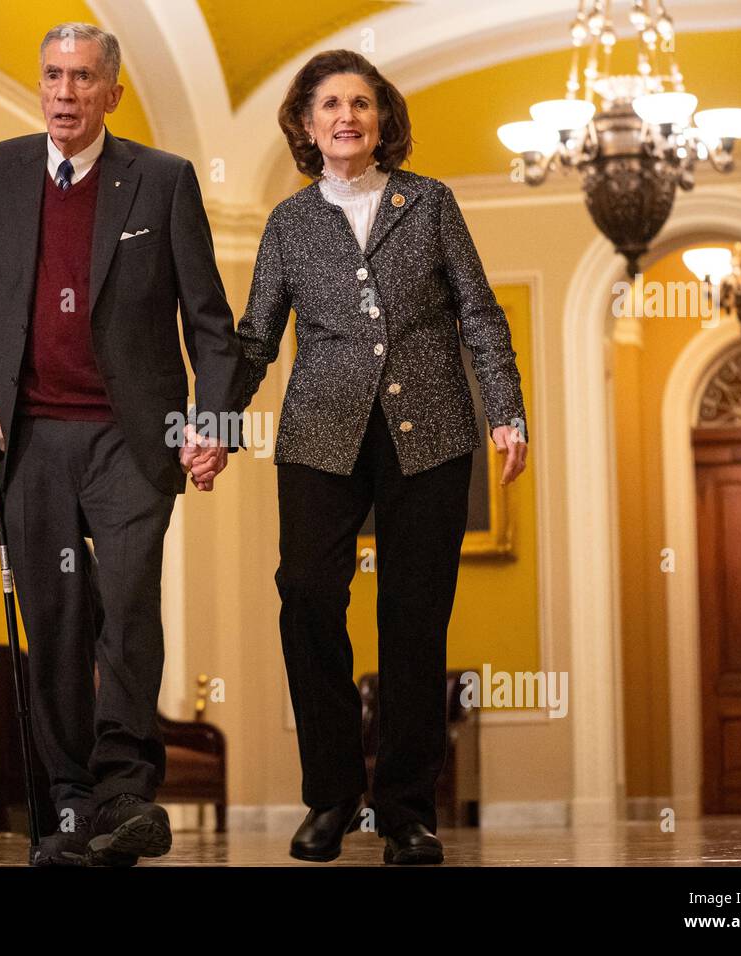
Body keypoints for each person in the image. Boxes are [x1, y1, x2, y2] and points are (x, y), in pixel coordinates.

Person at [0, 21, 242, 866]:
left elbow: (210, 327)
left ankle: (123, 792)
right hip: (30, 437)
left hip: (129, 438)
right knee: (54, 620)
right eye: (52, 77)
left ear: (113, 91)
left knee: (127, 609)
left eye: (83, 79)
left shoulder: (163, 180)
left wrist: (213, 425)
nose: (65, 94)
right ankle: (68, 803)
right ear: (38, 86)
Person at [235, 50, 529, 865]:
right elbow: (256, 335)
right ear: (305, 124)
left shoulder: (429, 202)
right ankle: (331, 798)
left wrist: (506, 411)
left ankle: (405, 809)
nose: (346, 116)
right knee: (307, 594)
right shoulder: (289, 223)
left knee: (413, 614)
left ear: (380, 117)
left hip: (430, 429)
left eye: (360, 102)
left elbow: (479, 312)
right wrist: (212, 425)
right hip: (321, 432)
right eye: (328, 104)